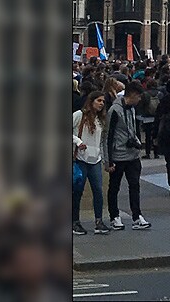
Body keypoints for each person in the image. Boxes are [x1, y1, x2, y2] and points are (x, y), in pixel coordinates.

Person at [107, 80, 152, 230]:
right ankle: (114, 216)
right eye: (138, 97)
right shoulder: (115, 110)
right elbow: (109, 135)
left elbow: (132, 128)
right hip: (118, 155)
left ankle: (136, 215)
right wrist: (109, 159)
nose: (139, 100)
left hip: (132, 154)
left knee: (134, 185)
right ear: (132, 95)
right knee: (115, 186)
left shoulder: (131, 109)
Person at [72, 91, 111, 236]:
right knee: (77, 191)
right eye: (99, 100)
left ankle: (99, 221)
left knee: (98, 191)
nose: (101, 103)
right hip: (81, 158)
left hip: (95, 159)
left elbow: (101, 140)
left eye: (103, 101)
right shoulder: (79, 115)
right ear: (91, 101)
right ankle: (75, 222)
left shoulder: (100, 119)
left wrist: (103, 157)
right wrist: (78, 141)